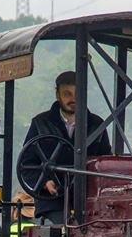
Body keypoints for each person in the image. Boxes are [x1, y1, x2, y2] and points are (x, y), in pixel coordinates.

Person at [20, 70, 112, 223]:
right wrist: (44, 183)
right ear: (57, 95)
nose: (73, 99)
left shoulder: (97, 125)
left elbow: (105, 164)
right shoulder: (40, 123)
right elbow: (26, 164)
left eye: (77, 94)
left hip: (88, 200)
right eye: (67, 94)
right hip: (51, 201)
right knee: (67, 227)